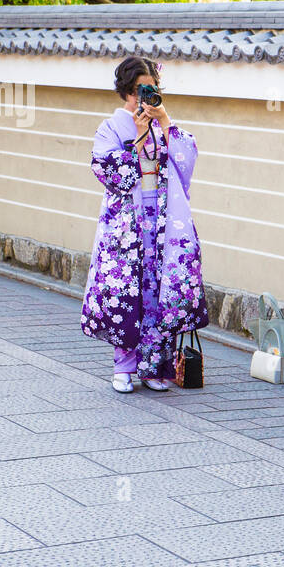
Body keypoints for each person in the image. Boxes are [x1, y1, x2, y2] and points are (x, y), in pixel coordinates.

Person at [80, 56, 212, 393]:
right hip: (126, 224)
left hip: (162, 219)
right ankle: (123, 367)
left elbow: (186, 162)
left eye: (151, 88)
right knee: (129, 291)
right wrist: (139, 136)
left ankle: (155, 367)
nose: (145, 95)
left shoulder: (162, 124)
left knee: (158, 289)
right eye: (140, 89)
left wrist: (165, 121)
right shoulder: (109, 128)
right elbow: (111, 175)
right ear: (126, 90)